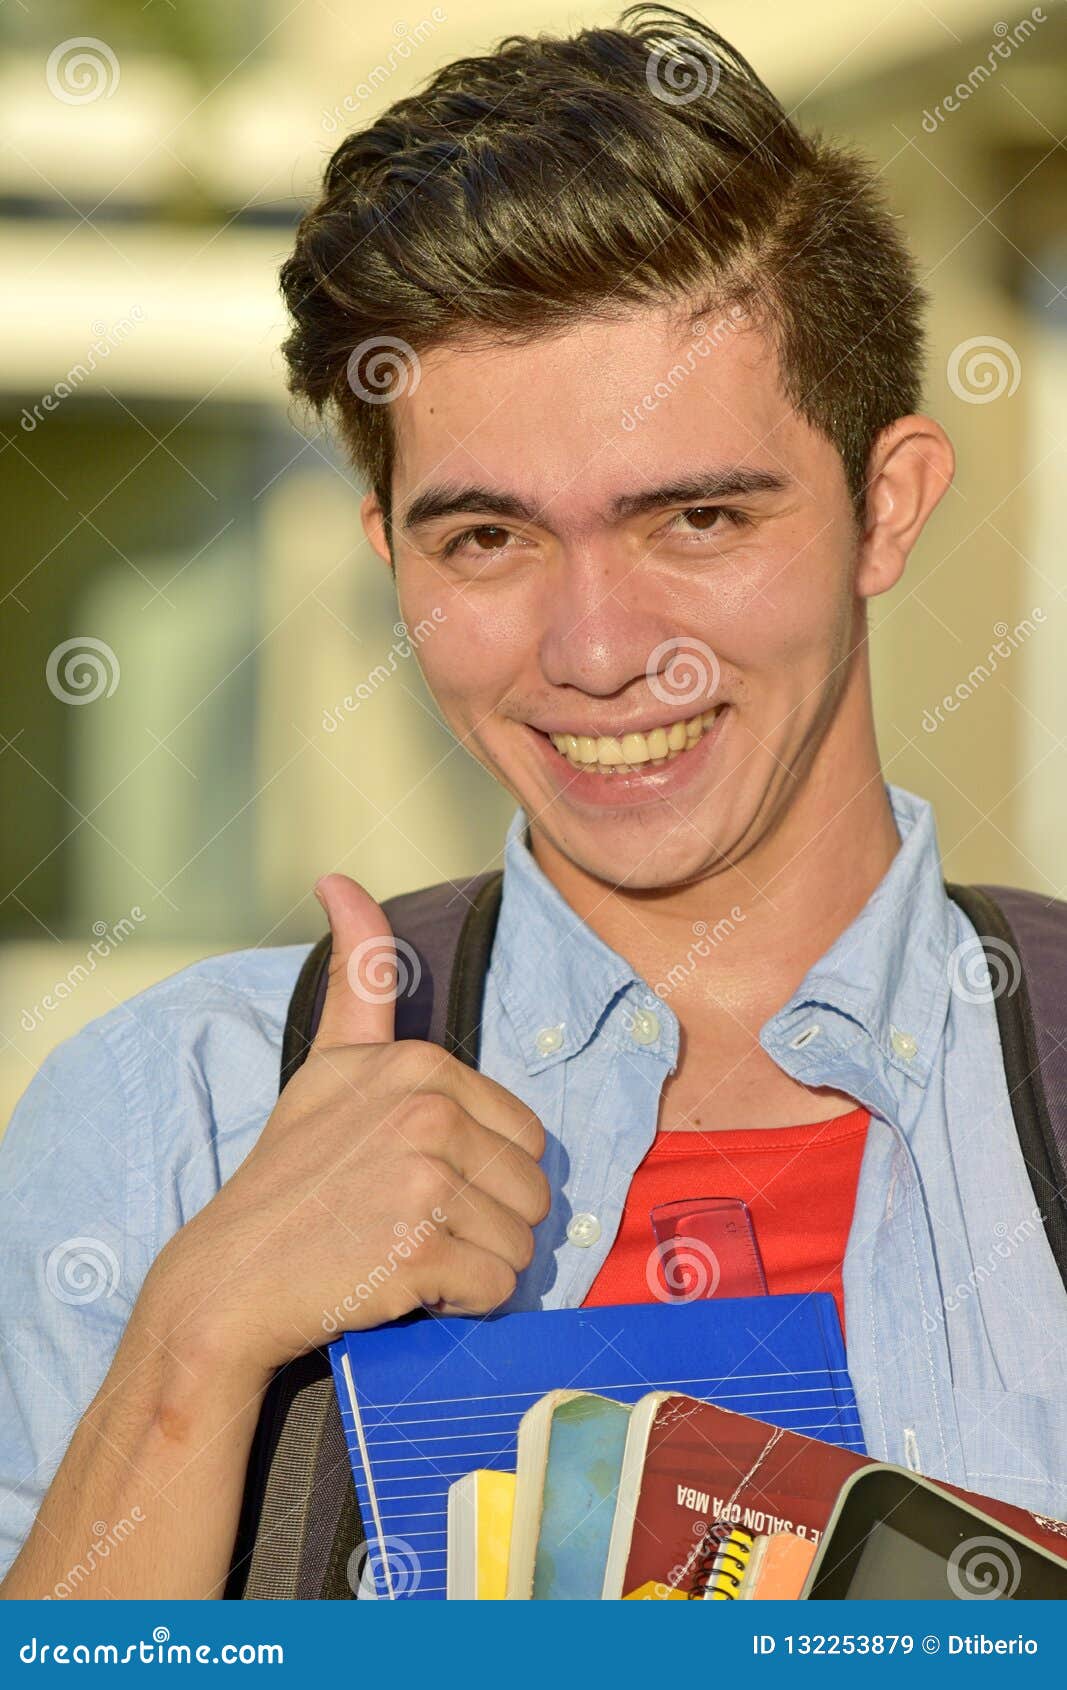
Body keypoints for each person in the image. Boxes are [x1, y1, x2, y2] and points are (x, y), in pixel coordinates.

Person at [3, 5, 1065, 1600]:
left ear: (886, 506)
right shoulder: (180, 1117)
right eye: (487, 540)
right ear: (392, 555)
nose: (598, 649)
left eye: (697, 519)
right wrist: (195, 1345)